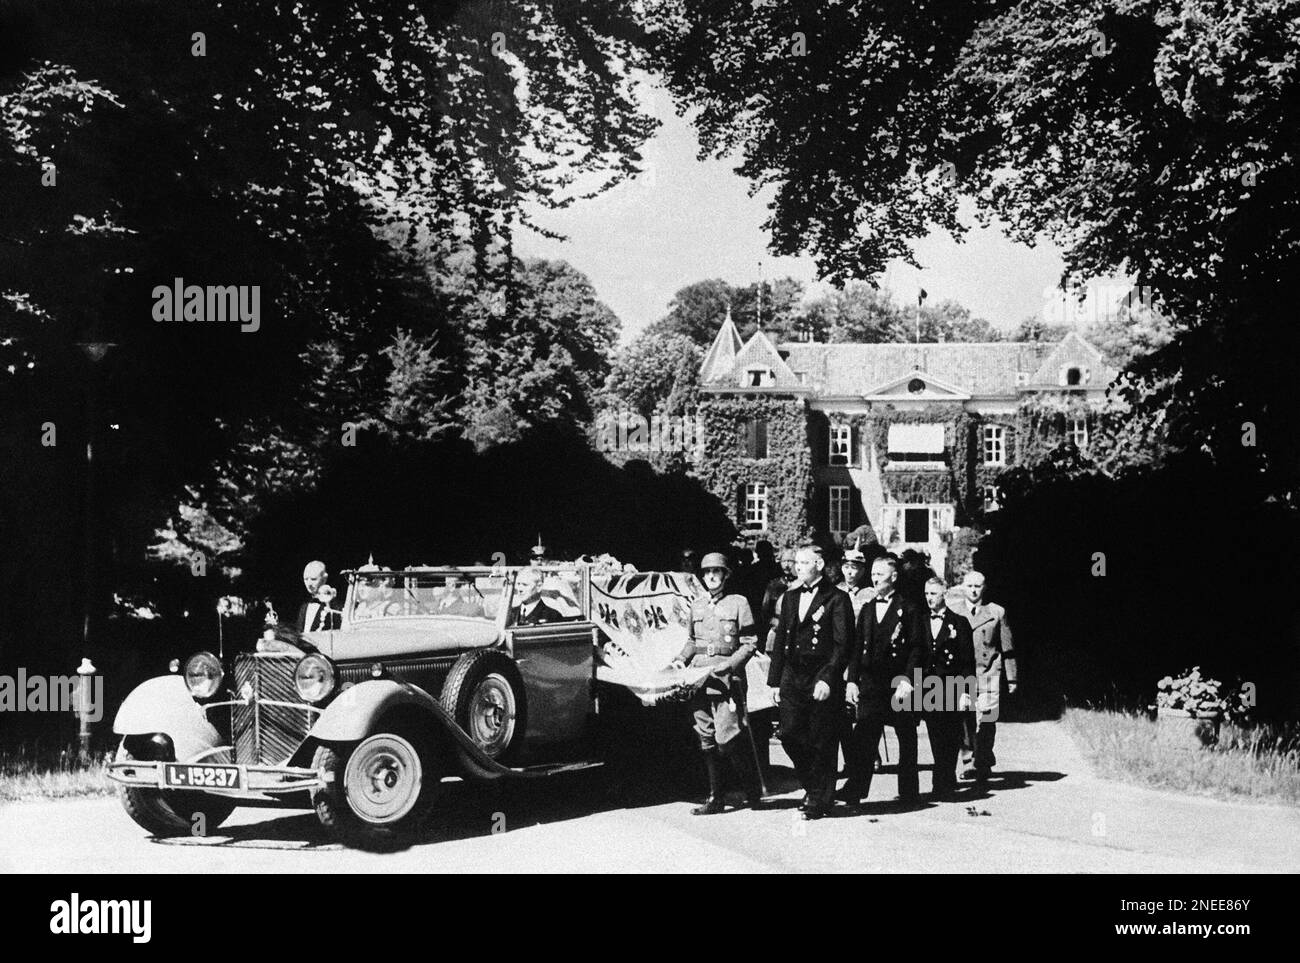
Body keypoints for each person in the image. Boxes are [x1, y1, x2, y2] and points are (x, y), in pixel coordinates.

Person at [672, 552, 764, 814]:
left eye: (716, 572)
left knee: (727, 737)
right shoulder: (697, 605)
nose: (711, 576)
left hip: (726, 678)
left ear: (725, 575)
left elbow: (749, 643)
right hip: (700, 678)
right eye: (707, 572)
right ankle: (715, 797)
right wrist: (681, 660)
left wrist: (730, 665)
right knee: (706, 738)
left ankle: (751, 787)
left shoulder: (738, 603)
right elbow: (691, 641)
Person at [768, 544, 854, 819]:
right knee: (789, 733)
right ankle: (813, 787)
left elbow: (843, 644)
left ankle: (820, 800)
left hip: (821, 673)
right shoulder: (791, 597)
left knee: (821, 739)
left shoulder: (837, 598)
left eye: (804, 563)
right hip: (793, 674)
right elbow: (781, 638)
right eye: (796, 563)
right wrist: (773, 682)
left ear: (818, 564)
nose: (797, 567)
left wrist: (829, 678)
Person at [841, 555, 926, 804]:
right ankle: (856, 788)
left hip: (899, 681)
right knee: (864, 737)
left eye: (881, 573)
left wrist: (909, 680)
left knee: (906, 737)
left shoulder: (908, 608)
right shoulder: (867, 608)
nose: (875, 578)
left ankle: (909, 791)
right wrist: (852, 680)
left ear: (894, 577)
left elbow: (917, 648)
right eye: (874, 574)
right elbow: (857, 647)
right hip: (870, 682)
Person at [953, 570, 1017, 782]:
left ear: (984, 588)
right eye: (969, 586)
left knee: (988, 718)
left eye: (977, 586)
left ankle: (985, 758)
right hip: (963, 673)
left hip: (989, 672)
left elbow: (1007, 648)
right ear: (963, 587)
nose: (973, 590)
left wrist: (1012, 677)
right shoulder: (954, 611)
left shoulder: (997, 612)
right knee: (965, 720)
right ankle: (969, 760)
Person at [921, 577, 975, 797]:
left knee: (952, 734)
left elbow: (967, 662)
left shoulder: (959, 623)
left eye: (933, 594)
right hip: (927, 687)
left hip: (952, 686)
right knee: (934, 732)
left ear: (944, 594)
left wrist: (966, 693)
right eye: (926, 594)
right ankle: (942, 776)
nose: (929, 598)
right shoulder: (921, 620)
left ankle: (944, 777)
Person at [837, 539, 875, 783]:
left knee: (862, 711)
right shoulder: (835, 591)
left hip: (861, 656)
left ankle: (867, 757)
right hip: (841, 656)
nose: (851, 572)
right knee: (840, 713)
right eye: (847, 567)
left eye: (856, 568)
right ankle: (850, 759)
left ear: (863, 571)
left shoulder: (869, 595)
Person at [295, 560, 342, 632]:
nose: (309, 583)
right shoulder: (304, 607)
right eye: (306, 579)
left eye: (313, 579)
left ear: (324, 579)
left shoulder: (334, 607)